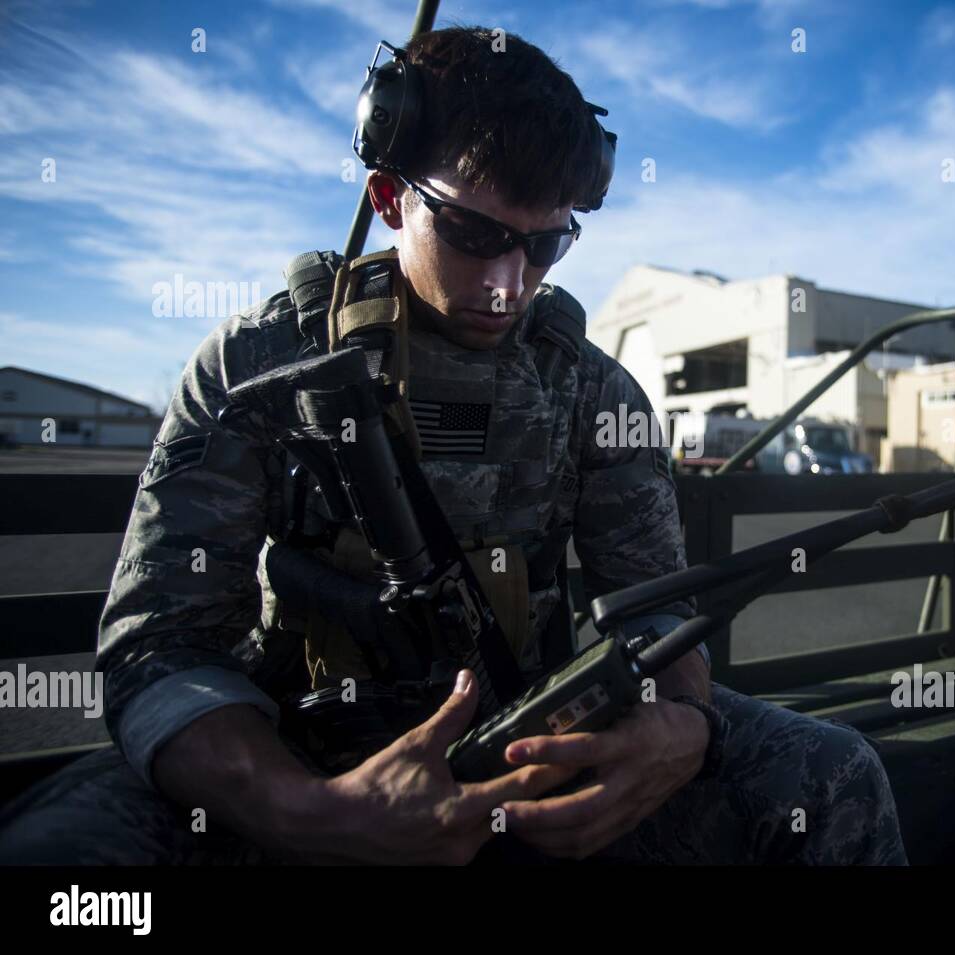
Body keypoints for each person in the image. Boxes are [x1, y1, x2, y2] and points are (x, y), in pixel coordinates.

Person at [0, 26, 906, 866]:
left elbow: (656, 610)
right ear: (389, 196)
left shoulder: (594, 391)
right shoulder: (261, 367)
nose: (509, 285)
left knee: (832, 774)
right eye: (475, 235)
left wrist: (683, 727)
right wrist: (307, 811)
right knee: (59, 857)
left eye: (547, 245)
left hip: (533, 742)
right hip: (299, 748)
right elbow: (160, 644)